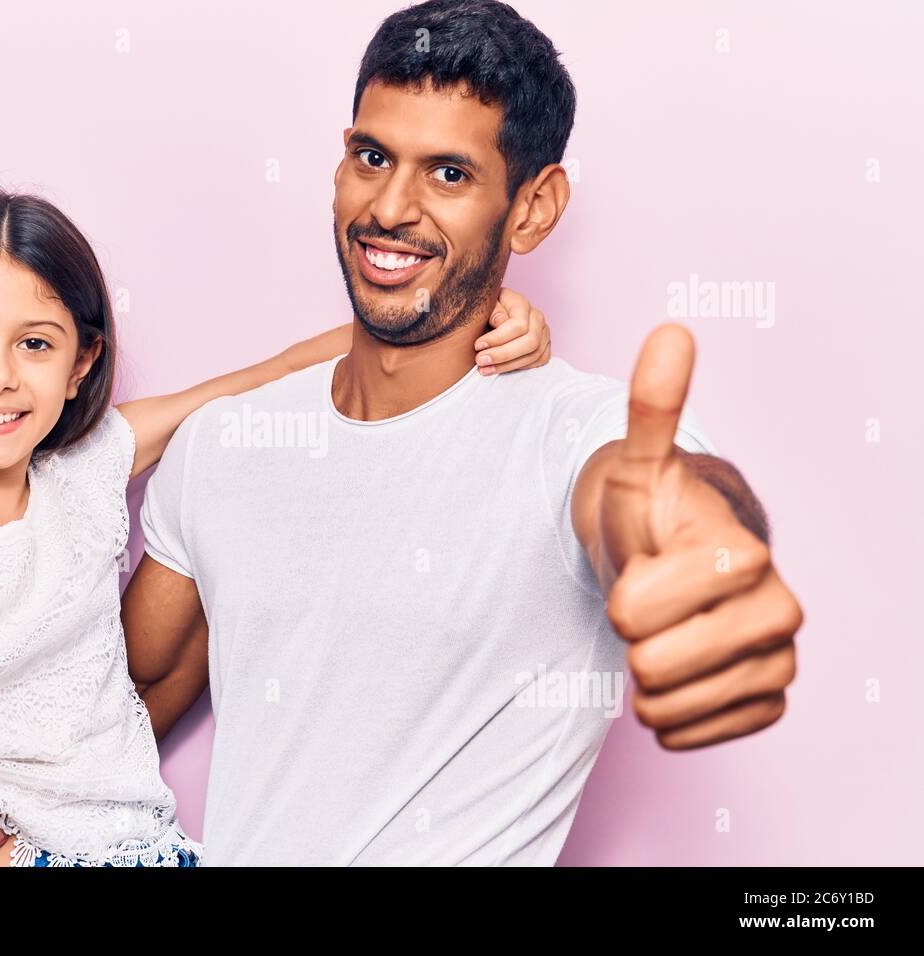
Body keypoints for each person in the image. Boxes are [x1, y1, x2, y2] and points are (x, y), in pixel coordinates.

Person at [118, 0, 802, 865]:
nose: (391, 208)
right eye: (371, 158)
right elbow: (123, 707)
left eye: (448, 174)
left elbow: (651, 501)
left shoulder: (575, 434)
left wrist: (701, 546)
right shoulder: (223, 447)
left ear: (533, 207)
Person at [0, 186, 554, 865]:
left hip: (135, 847)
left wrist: (470, 315)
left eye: (34, 343)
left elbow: (267, 377)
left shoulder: (87, 468)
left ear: (83, 363)